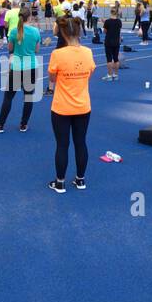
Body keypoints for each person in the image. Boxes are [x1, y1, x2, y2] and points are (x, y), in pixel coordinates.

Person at [47, 16, 95, 193]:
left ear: (63, 33)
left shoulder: (57, 54)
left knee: (62, 144)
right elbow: (89, 74)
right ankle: (80, 180)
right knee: (80, 142)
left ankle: (60, 183)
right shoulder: (88, 53)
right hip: (83, 106)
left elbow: (52, 79)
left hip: (61, 107)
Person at [0, 4, 40, 133]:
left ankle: (0, 125)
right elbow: (36, 50)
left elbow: (10, 48)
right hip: (31, 66)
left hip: (17, 66)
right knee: (28, 97)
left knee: (8, 97)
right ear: (30, 18)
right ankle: (23, 125)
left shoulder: (14, 32)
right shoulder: (35, 31)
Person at [101, 6, 122, 81]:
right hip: (116, 42)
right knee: (116, 59)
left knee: (109, 59)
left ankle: (109, 75)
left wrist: (104, 23)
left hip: (109, 41)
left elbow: (105, 31)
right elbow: (119, 31)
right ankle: (115, 75)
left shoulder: (107, 21)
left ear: (110, 12)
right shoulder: (119, 21)